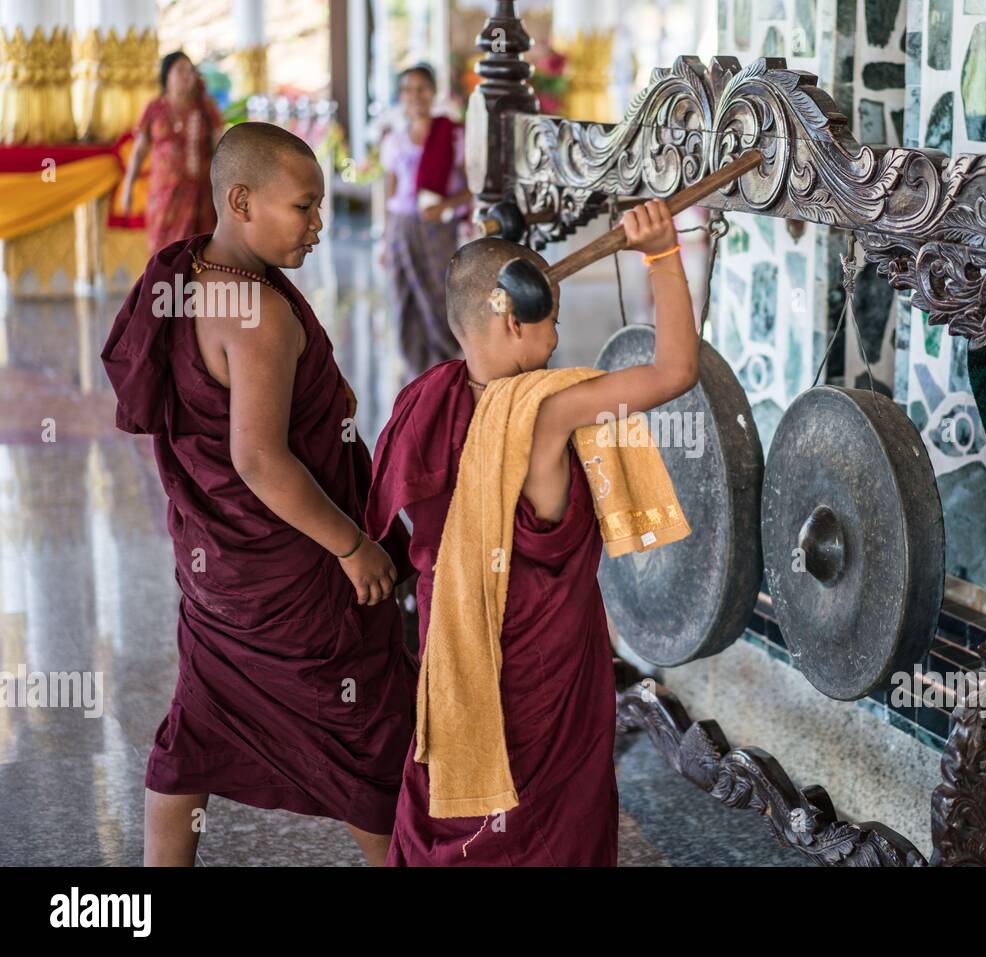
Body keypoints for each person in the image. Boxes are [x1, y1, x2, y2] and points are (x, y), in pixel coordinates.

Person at [101, 122, 418, 866]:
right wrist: (351, 544)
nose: (317, 225)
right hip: (291, 574)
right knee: (369, 732)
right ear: (240, 200)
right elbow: (258, 459)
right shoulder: (260, 315)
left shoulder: (183, 276)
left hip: (221, 571)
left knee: (199, 725)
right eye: (303, 208)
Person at [365, 200, 696, 866]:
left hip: (452, 655)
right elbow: (674, 371)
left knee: (463, 807)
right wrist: (662, 254)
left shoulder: (422, 396)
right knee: (547, 825)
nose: (560, 330)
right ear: (513, 317)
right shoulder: (546, 409)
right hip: (541, 668)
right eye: (555, 317)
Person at [378, 64, 467, 378]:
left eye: (421, 89)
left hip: (438, 228)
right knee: (404, 294)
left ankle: (446, 365)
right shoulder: (394, 142)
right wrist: (385, 240)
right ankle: (415, 367)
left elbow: (471, 189)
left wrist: (446, 204)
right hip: (403, 226)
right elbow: (389, 194)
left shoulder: (451, 135)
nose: (414, 96)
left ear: (433, 92)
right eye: (407, 90)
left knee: (437, 294)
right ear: (400, 96)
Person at [120, 51, 225, 253]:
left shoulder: (206, 108)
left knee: (200, 251)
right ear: (166, 75)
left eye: (190, 70)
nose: (187, 75)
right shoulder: (154, 108)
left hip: (200, 195)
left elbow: (220, 147)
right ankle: (166, 284)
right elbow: (140, 149)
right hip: (164, 195)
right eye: (180, 70)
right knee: (165, 252)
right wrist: (128, 187)